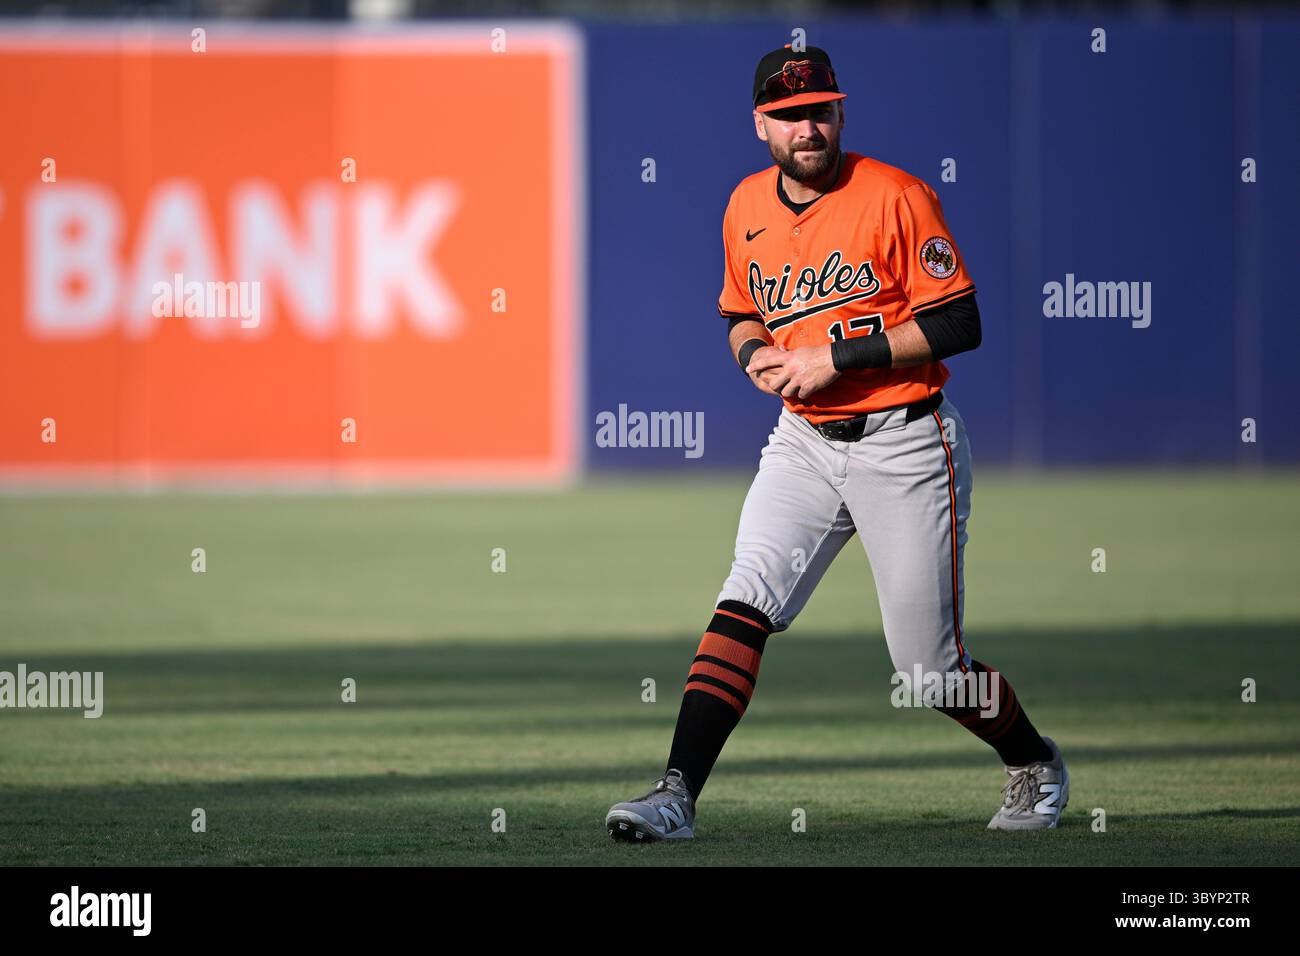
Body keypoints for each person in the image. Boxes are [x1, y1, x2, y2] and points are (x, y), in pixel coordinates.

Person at [605, 44, 1067, 842]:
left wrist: (834, 357)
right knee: (745, 595)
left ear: (841, 111)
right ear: (760, 125)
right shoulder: (745, 204)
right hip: (805, 443)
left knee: (929, 670)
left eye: (818, 110)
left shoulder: (896, 195)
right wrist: (755, 356)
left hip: (908, 441)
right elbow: (739, 310)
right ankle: (676, 793)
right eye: (787, 116)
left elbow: (963, 322)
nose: (806, 127)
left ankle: (1033, 761)